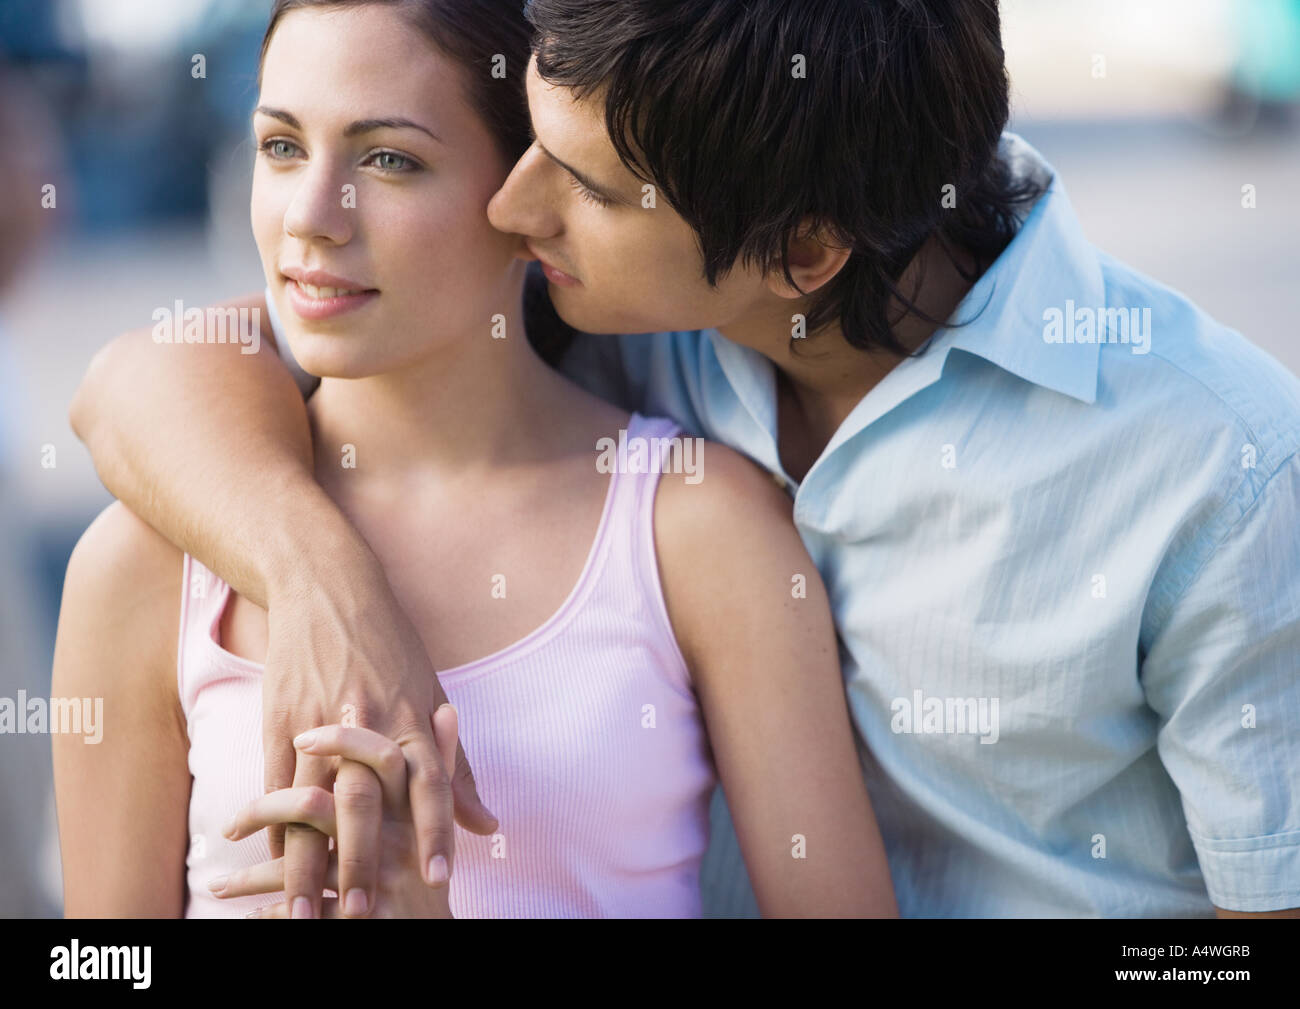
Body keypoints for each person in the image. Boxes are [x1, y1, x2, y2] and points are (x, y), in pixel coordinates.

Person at [72, 0, 1300, 918]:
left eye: (588, 188)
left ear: (803, 251)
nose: (513, 207)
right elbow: (138, 382)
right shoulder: (598, 310)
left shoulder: (1220, 466)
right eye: (278, 144)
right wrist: (321, 583)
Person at [51, 0, 896, 918]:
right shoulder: (143, 566)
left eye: (390, 159)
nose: (311, 217)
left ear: (533, 188)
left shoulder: (699, 532)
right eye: (282, 146)